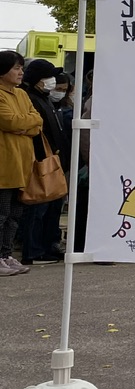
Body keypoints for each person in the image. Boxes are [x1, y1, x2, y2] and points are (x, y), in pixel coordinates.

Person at [18, 58, 66, 264]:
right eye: (48, 76)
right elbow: (36, 130)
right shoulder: (31, 98)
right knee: (37, 208)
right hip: (40, 161)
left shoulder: (44, 98)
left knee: (51, 207)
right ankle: (33, 251)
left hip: (53, 160)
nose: (52, 81)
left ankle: (46, 247)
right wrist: (41, 157)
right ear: (38, 79)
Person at [0, 51, 42, 276]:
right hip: (4, 167)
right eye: (16, 68)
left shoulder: (22, 95)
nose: (20, 72)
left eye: (21, 68)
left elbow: (38, 121)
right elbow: (8, 121)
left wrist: (24, 125)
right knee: (1, 214)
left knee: (15, 215)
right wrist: (25, 124)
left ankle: (6, 255)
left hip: (22, 165)